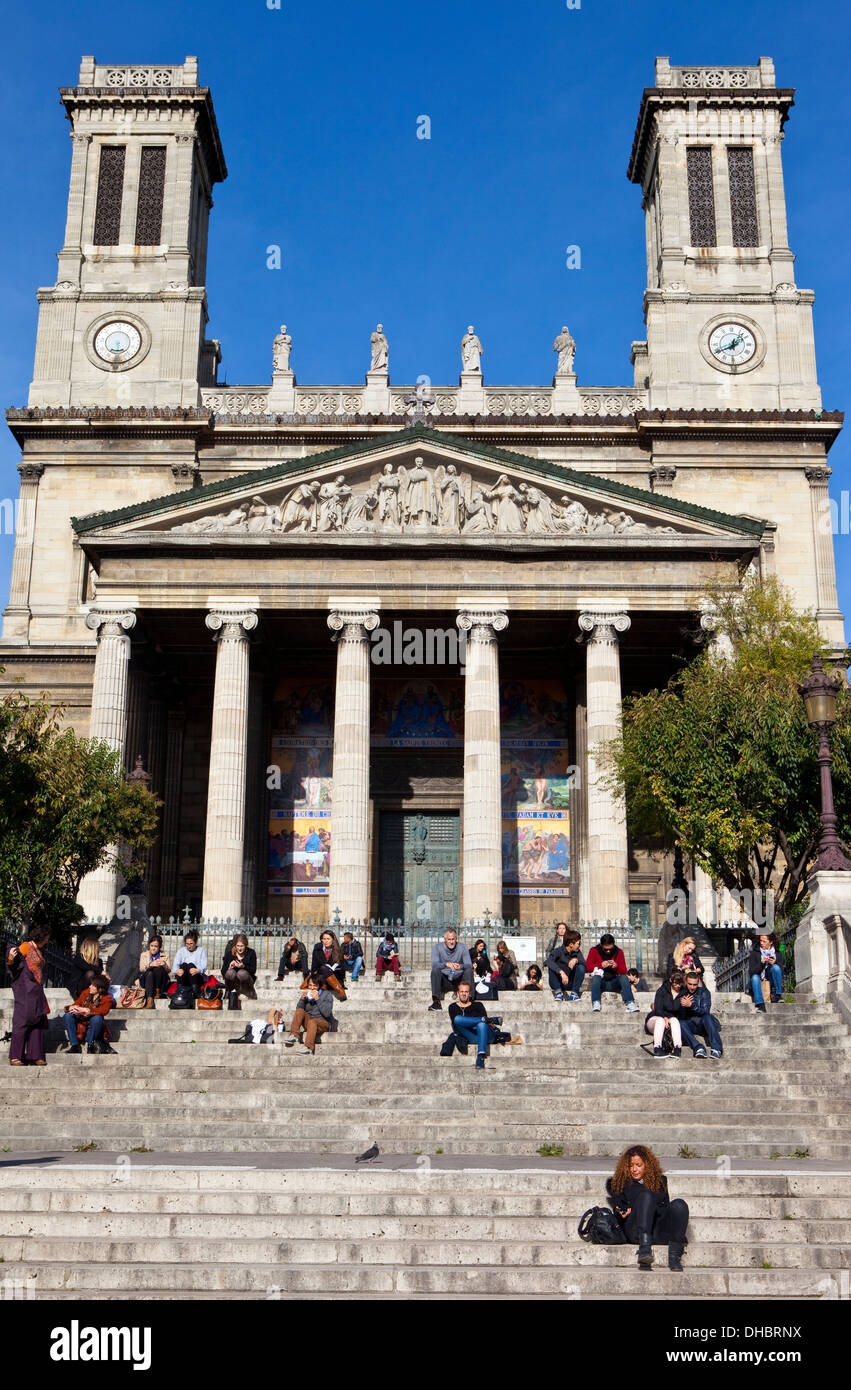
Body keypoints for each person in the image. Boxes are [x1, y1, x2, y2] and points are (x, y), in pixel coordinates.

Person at [607, 1145, 689, 1271]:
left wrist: (652, 1206)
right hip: (636, 1230)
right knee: (646, 1195)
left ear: (647, 1165)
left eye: (638, 1165)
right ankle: (644, 1250)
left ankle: (674, 1256)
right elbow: (618, 1207)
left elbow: (664, 1207)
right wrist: (621, 1212)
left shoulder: (660, 1182)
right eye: (631, 1165)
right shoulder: (620, 1183)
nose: (634, 1169)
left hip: (657, 1229)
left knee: (679, 1205)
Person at [5, 927, 50, 1066]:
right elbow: (14, 965)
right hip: (25, 990)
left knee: (37, 1021)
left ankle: (35, 1055)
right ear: (41, 937)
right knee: (22, 1020)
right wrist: (10, 960)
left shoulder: (38, 950)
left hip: (36, 990)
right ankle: (15, 1056)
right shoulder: (26, 947)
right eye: (47, 937)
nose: (48, 940)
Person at [284, 971, 335, 1054]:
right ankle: (294, 1035)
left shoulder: (327, 995)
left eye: (315, 986)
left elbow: (327, 1013)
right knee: (300, 1011)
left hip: (323, 1023)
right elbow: (299, 1010)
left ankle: (309, 1048)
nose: (311, 988)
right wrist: (302, 999)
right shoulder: (308, 994)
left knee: (313, 1021)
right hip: (310, 1022)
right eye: (310, 985)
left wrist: (318, 999)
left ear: (319, 986)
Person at [63, 975, 115, 1055]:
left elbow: (103, 1011)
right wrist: (71, 1007)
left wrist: (86, 1011)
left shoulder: (107, 998)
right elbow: (77, 1004)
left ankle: (91, 1045)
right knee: (68, 1016)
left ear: (100, 989)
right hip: (81, 1028)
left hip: (94, 1030)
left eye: (93, 985)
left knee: (97, 1018)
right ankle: (75, 1045)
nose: (90, 986)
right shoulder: (86, 992)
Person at [586, 934, 639, 1013]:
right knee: (596, 977)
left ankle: (630, 1003)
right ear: (601, 945)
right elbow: (587, 968)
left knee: (623, 977)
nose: (608, 951)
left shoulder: (619, 952)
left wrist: (615, 966)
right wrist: (601, 965)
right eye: (605, 949)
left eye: (610, 949)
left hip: (614, 981)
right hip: (601, 982)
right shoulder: (594, 951)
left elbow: (624, 971)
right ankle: (596, 1002)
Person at [678, 969, 723, 1059]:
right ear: (686, 982)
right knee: (679, 1022)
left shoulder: (704, 993)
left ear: (698, 983)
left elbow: (705, 1011)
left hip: (703, 1023)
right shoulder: (681, 992)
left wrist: (691, 1005)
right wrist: (681, 1006)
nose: (692, 987)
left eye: (694, 984)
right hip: (690, 1024)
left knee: (707, 1017)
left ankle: (717, 1049)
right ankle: (698, 1047)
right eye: (690, 984)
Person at [644, 969, 686, 1058]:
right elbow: (658, 1009)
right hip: (656, 1019)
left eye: (680, 983)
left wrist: (684, 1005)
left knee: (674, 1020)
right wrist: (665, 1018)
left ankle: (677, 1048)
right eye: (675, 983)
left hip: (670, 1021)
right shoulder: (662, 990)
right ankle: (657, 1048)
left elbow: (681, 1014)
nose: (678, 986)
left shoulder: (683, 993)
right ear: (671, 980)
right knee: (660, 1021)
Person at [428, 930, 472, 1010]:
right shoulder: (437, 947)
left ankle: (470, 1000)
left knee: (469, 970)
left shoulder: (463, 947)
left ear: (456, 939)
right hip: (444, 979)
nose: (451, 942)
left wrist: (460, 966)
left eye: (453, 939)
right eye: (449, 939)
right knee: (435, 970)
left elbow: (469, 964)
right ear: (445, 939)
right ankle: (436, 1002)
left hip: (459, 979)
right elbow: (434, 964)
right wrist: (446, 964)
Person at [545, 925, 586, 1001]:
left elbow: (585, 964)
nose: (579, 945)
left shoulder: (577, 952)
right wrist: (561, 972)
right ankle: (558, 993)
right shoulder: (558, 951)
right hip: (558, 983)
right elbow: (549, 961)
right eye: (578, 943)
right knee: (551, 966)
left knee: (581, 967)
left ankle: (574, 994)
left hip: (570, 983)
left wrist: (576, 960)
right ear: (571, 944)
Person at [748, 933, 784, 1011]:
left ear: (771, 942)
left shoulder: (777, 953)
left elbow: (781, 971)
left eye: (764, 941)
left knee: (776, 968)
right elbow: (751, 972)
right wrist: (762, 963)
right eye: (761, 941)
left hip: (770, 980)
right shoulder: (755, 953)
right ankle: (760, 1005)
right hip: (759, 979)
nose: (761, 943)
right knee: (754, 977)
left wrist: (775, 962)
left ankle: (778, 995)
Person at [67, 933, 108, 998]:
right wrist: (101, 971)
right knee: (90, 973)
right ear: (93, 948)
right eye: (97, 947)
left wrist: (106, 978)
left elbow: (100, 976)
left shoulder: (98, 961)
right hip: (78, 988)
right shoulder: (79, 958)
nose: (99, 949)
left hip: (93, 989)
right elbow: (86, 966)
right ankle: (84, 995)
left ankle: (94, 994)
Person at [222, 932, 258, 1001]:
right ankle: (229, 991)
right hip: (233, 981)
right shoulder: (229, 954)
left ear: (246, 945)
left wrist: (243, 966)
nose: (239, 948)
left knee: (241, 973)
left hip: (246, 980)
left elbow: (253, 970)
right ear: (235, 945)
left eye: (242, 946)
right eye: (238, 946)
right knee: (230, 972)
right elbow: (223, 971)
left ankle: (250, 992)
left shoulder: (251, 952)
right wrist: (229, 967)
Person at [173, 930, 208, 998]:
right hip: (184, 976)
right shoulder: (181, 951)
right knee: (184, 965)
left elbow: (204, 965)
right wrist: (177, 970)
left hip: (195, 976)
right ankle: (180, 989)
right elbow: (175, 965)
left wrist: (198, 970)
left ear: (195, 942)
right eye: (187, 944)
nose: (189, 946)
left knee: (190, 965)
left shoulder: (201, 951)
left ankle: (195, 990)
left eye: (191, 943)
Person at [311, 930, 347, 997]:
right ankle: (340, 990)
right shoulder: (317, 948)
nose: (326, 941)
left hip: (334, 976)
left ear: (333, 940)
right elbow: (315, 964)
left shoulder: (338, 950)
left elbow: (341, 967)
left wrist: (332, 969)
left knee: (326, 969)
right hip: (319, 974)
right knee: (323, 967)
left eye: (328, 939)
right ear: (321, 940)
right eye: (324, 939)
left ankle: (325, 987)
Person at [138, 934, 170, 1008]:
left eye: (156, 946)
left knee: (159, 968)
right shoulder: (144, 955)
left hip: (160, 981)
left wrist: (164, 965)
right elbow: (141, 968)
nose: (153, 948)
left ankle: (157, 992)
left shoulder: (165, 955)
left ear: (159, 947)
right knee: (150, 973)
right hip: (146, 980)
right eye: (152, 946)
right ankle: (150, 999)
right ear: (149, 945)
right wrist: (150, 964)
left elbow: (168, 970)